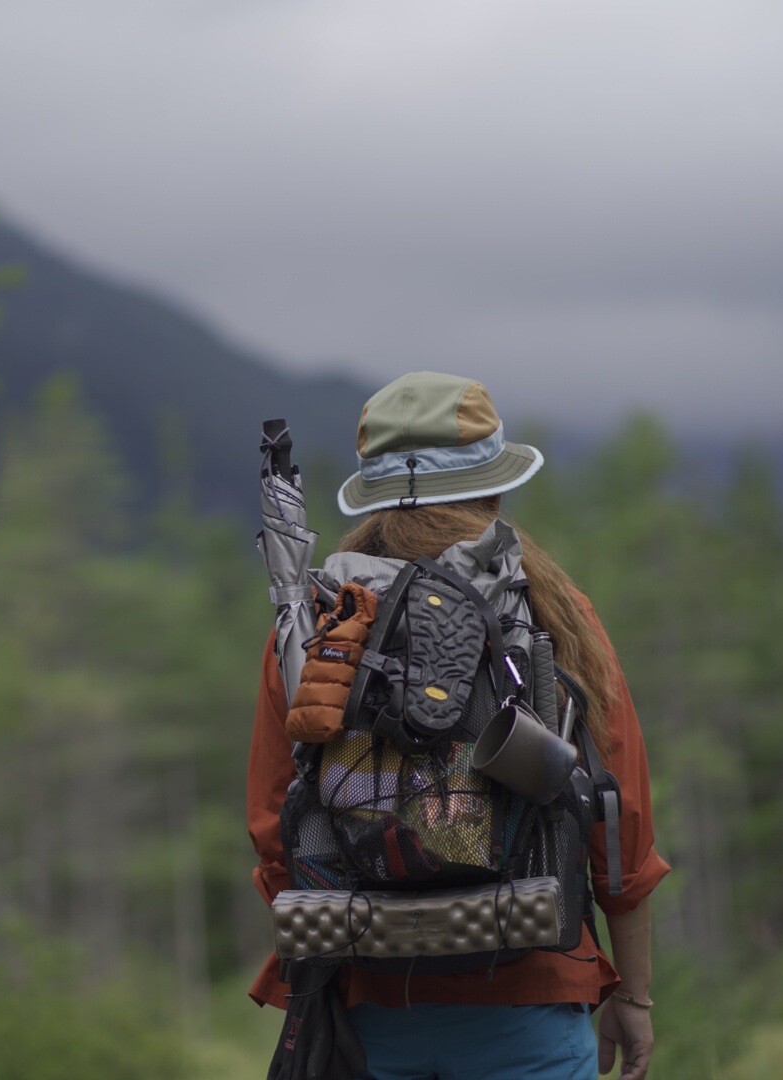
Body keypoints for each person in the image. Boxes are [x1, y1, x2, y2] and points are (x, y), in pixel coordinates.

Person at [246, 372, 670, 1080]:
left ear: (374, 495)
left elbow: (274, 825)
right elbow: (617, 817)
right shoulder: (553, 610)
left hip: (365, 1007)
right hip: (532, 996)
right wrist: (632, 991)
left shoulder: (318, 625)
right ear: (494, 488)